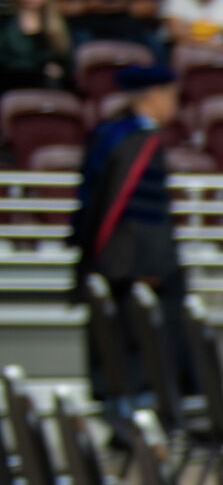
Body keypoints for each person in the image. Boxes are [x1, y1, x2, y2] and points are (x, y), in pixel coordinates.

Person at [71, 65, 184, 411]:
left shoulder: (111, 134)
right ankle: (139, 418)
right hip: (135, 264)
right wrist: (154, 262)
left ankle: (121, 408)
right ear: (154, 96)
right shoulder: (142, 144)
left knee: (114, 341)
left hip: (110, 259)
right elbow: (133, 208)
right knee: (137, 343)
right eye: (173, 97)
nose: (176, 107)